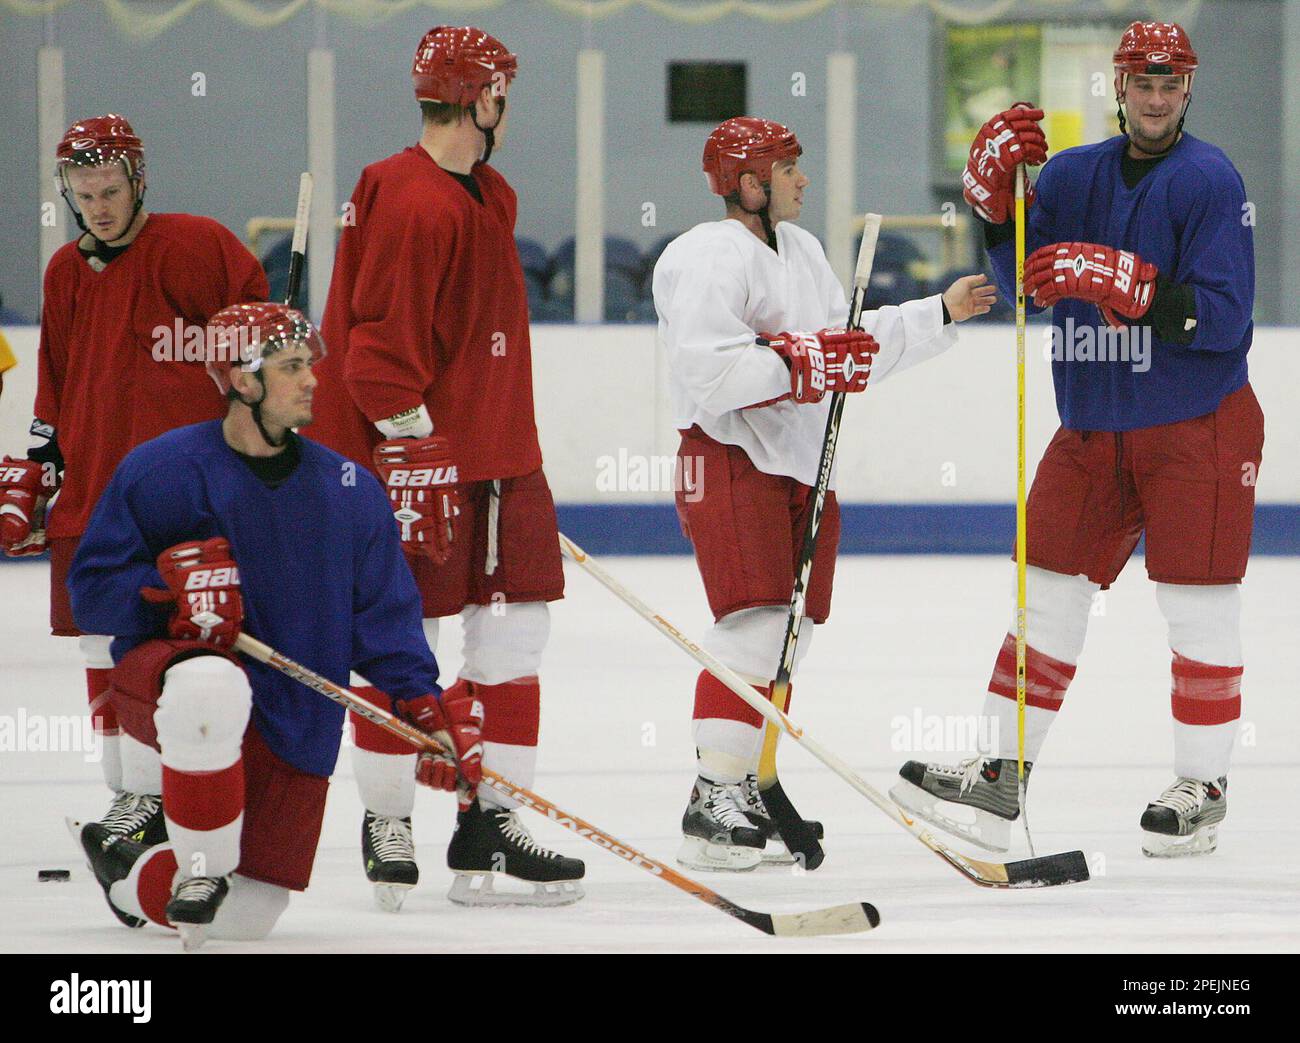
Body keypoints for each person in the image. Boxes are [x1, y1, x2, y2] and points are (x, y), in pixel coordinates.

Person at [892, 21, 1260, 858]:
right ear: (1119, 88)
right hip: (1093, 426)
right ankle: (1001, 773)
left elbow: (1224, 320)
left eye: (1172, 85)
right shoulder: (1070, 172)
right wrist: (990, 202)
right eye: (1143, 83)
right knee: (1048, 591)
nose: (1158, 98)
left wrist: (1131, 286)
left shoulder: (1212, 179)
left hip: (1195, 421)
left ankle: (1202, 785)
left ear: (1187, 90)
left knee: (1196, 603)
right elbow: (1018, 275)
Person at [67, 302, 483, 948]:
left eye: (309, 365)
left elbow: (384, 617)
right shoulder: (163, 470)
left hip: (296, 719)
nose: (313, 380)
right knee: (211, 682)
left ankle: (126, 866)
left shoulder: (348, 488)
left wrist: (423, 710)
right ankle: (200, 869)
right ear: (241, 379)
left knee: (248, 919)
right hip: (181, 692)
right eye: (291, 367)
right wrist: (165, 596)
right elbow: (92, 590)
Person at [652, 116, 995, 871]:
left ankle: (744, 782)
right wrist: (805, 359)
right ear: (748, 183)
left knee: (791, 629)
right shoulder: (705, 257)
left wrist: (938, 312)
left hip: (801, 465)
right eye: (787, 168)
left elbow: (848, 346)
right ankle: (713, 794)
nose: (802, 179)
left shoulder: (802, 251)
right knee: (755, 621)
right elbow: (710, 372)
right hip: (730, 455)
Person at [309, 25, 583, 909]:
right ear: (482, 98)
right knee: (402, 642)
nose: (510, 109)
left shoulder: (484, 192)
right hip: (416, 461)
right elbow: (376, 356)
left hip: (501, 461)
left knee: (514, 636)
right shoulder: (411, 196)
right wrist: (414, 454)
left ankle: (491, 823)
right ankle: (387, 818)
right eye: (504, 93)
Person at [0, 115, 267, 845]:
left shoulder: (200, 245)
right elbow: (53, 388)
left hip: (188, 502)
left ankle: (178, 795)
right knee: (100, 643)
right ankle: (129, 796)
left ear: (139, 180)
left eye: (110, 190)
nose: (99, 207)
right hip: (92, 495)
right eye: (84, 196)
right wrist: (37, 470)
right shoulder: (64, 274)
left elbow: (266, 357)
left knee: (177, 651)